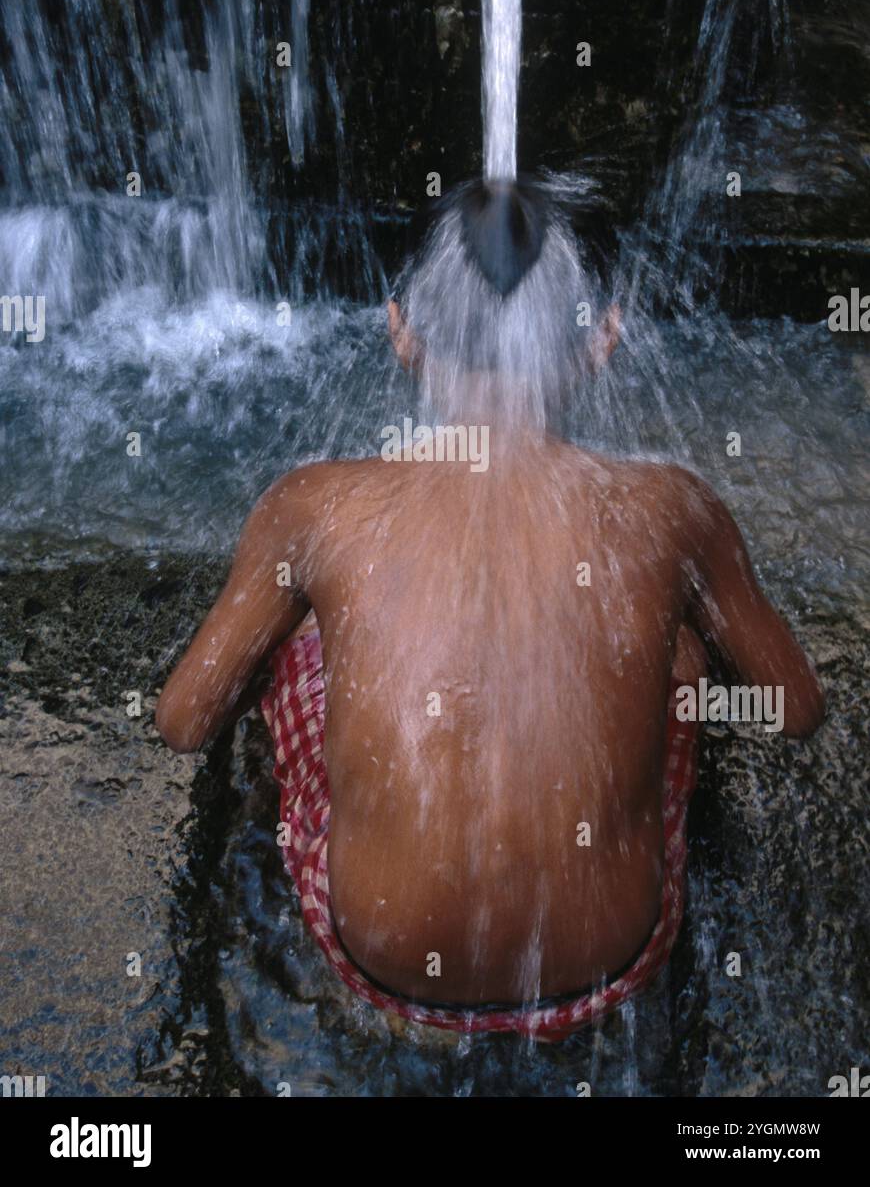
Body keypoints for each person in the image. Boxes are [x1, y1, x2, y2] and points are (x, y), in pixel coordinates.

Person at [156, 179, 823, 1040]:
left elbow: (183, 721)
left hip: (381, 963)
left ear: (401, 331)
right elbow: (796, 710)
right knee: (682, 651)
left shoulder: (316, 507)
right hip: (609, 962)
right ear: (604, 338)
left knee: (304, 643)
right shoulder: (670, 510)